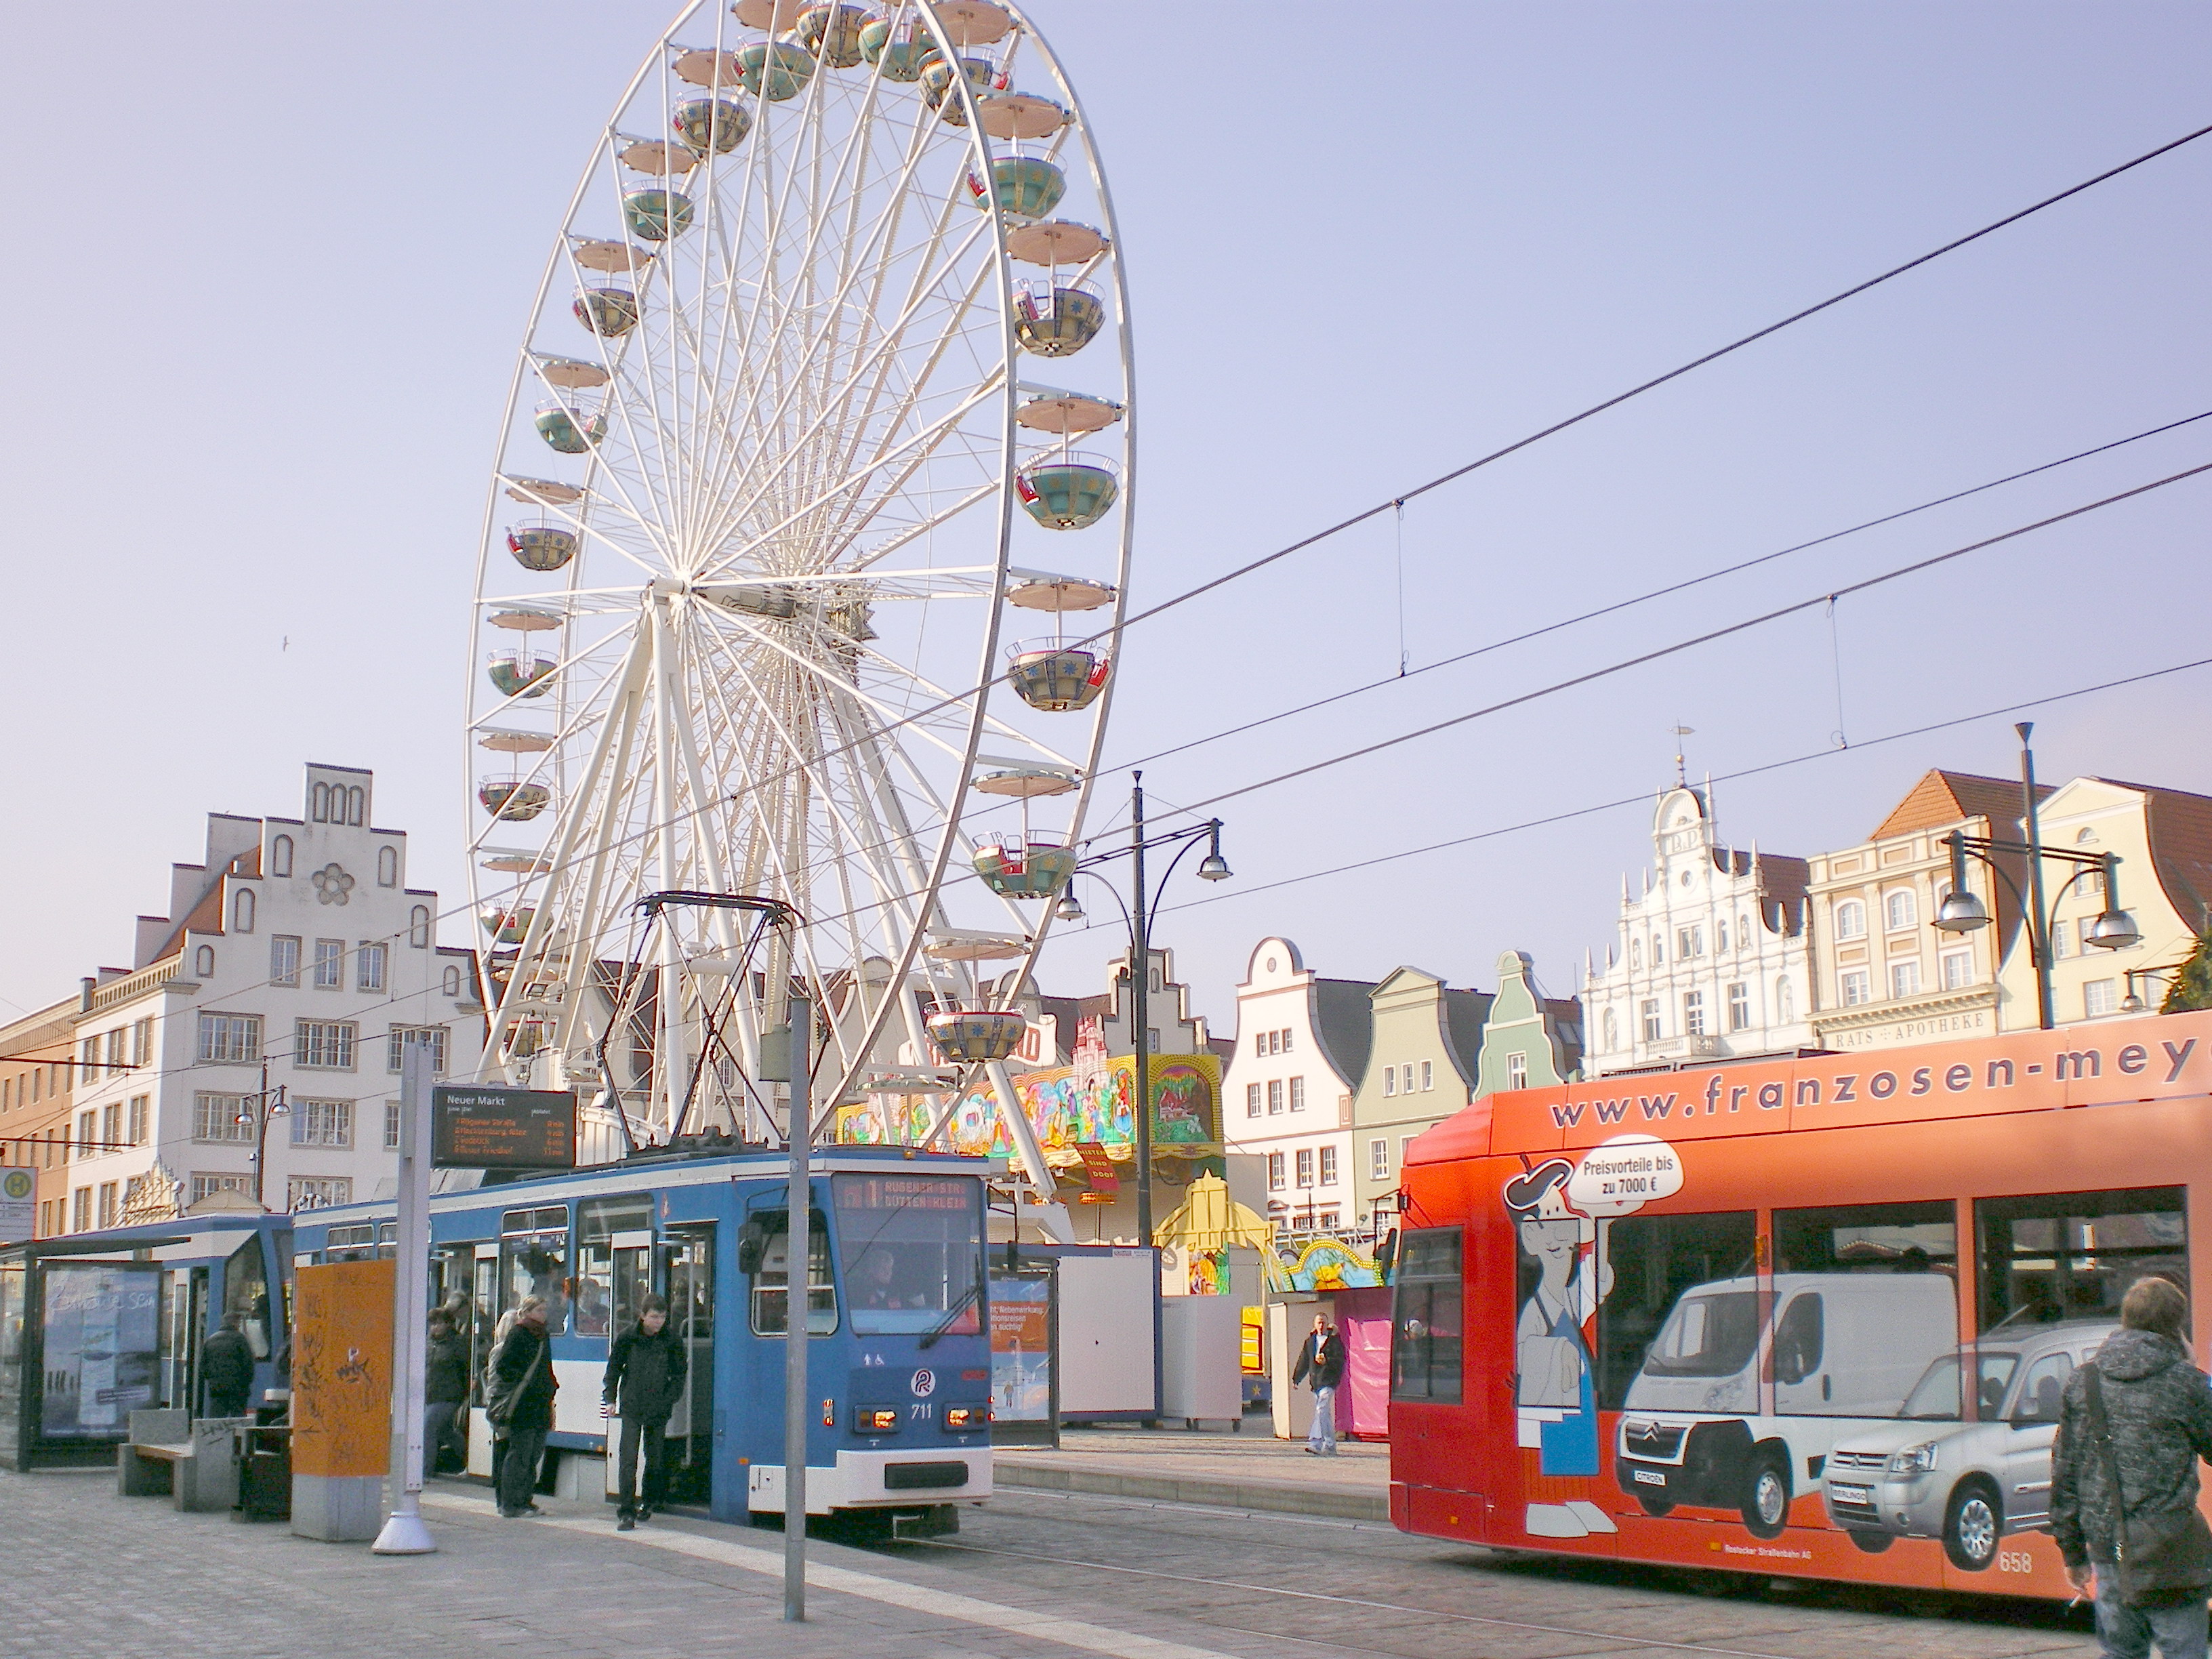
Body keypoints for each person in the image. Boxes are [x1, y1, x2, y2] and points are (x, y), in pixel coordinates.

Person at [2051, 1277, 2212, 1659]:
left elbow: (2064, 1472)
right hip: (2172, 1551)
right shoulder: (2187, 1383)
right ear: (2177, 1326)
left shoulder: (2083, 1381)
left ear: (2124, 1320)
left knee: (2122, 1654)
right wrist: (2191, 1368)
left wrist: (2073, 1555)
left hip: (2109, 1550)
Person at [602, 1293, 689, 1529]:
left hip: (658, 1408)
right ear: (643, 1316)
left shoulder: (671, 1340)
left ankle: (648, 1501)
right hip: (632, 1405)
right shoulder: (627, 1338)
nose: (658, 1322)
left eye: (662, 1317)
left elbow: (680, 1373)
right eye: (654, 1317)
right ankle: (626, 1511)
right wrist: (609, 1398)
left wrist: (669, 1398)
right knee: (628, 1459)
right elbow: (614, 1369)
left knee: (655, 1459)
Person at [486, 1296, 558, 1518]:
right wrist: (525, 1383)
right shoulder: (518, 1334)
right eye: (539, 1309)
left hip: (539, 1403)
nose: (543, 1314)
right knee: (519, 1454)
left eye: (545, 1309)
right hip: (523, 1405)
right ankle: (511, 1503)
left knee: (534, 1454)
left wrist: (550, 1388)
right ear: (527, 1312)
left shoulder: (542, 1335)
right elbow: (504, 1367)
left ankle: (526, 1500)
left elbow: (546, 1366)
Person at [422, 1312, 469, 1479]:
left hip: (449, 1395)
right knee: (445, 1432)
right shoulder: (428, 1342)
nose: (435, 1327)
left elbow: (466, 1368)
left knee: (427, 1428)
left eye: (439, 1323)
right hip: (429, 1394)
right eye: (432, 1323)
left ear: (449, 1324)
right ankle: (468, 1454)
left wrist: (465, 1392)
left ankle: (424, 1472)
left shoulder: (456, 1343)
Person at [1292, 1312, 1345, 1456]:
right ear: (1314, 1325)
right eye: (1319, 1322)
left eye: (1323, 1322)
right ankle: (1330, 1445)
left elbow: (1341, 1359)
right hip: (1315, 1382)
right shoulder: (1310, 1342)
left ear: (1327, 1324)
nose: (1321, 1325)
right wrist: (1296, 1378)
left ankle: (1315, 1442)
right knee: (1324, 1414)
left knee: (1321, 1410)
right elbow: (1304, 1361)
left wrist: (1327, 1360)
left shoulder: (1334, 1341)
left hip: (1329, 1381)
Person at [200, 1312, 256, 1420]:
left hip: (217, 1388)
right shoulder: (241, 1339)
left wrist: (212, 1379)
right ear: (235, 1323)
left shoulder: (210, 1340)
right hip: (238, 1388)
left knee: (216, 1418)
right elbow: (248, 1364)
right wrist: (246, 1382)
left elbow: (203, 1366)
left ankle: (216, 1436)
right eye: (239, 1323)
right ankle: (237, 1437)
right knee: (238, 1419)